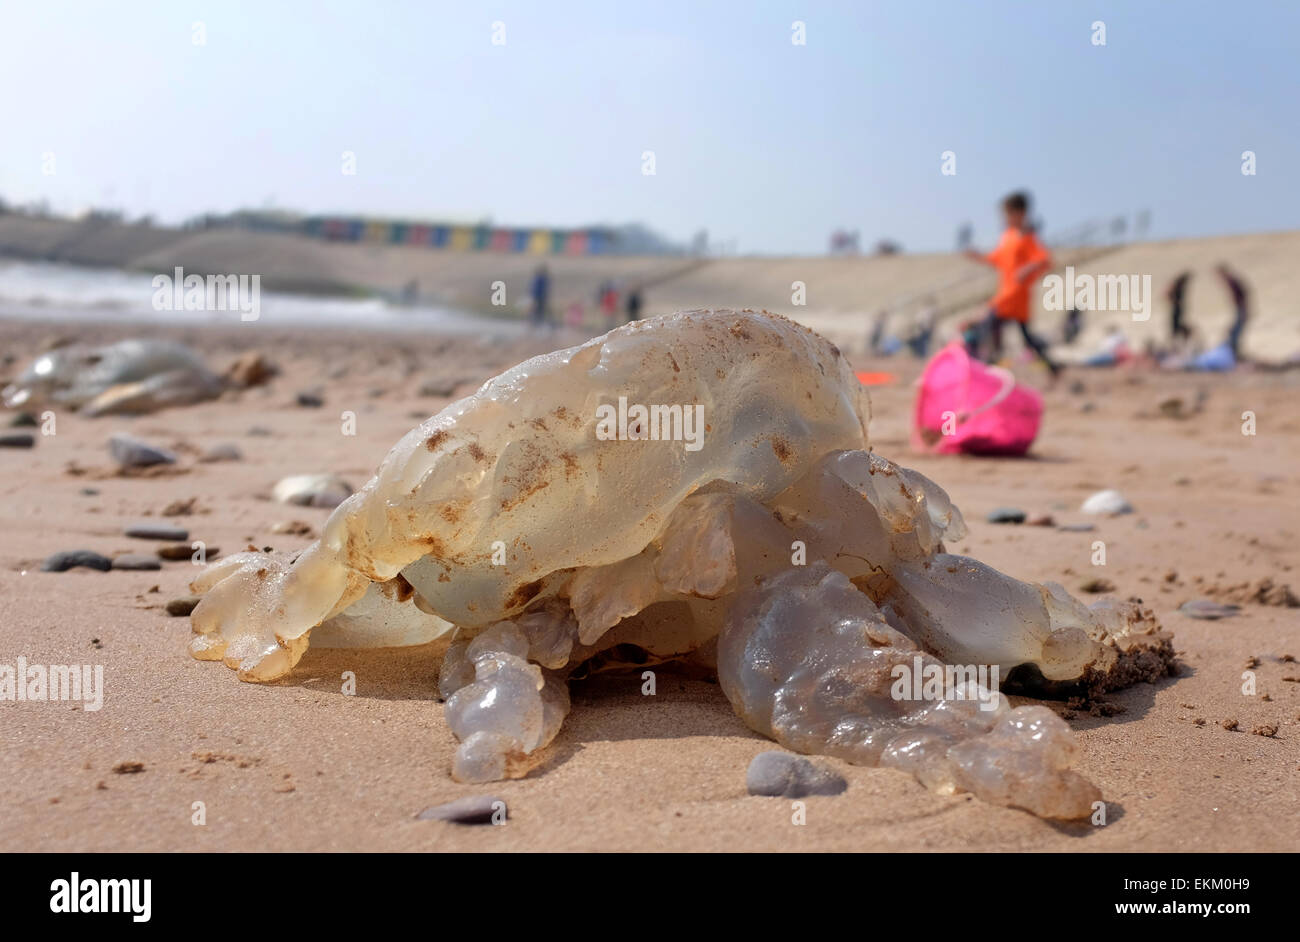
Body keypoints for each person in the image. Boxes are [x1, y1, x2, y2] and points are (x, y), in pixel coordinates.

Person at [964, 191, 1060, 376]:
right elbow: (997, 258)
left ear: (1021, 214)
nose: (1005, 218)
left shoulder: (1027, 237)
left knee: (987, 325)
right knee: (1025, 338)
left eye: (1008, 214)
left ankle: (987, 364)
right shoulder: (1008, 236)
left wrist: (1028, 268)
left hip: (1014, 297)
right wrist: (977, 256)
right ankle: (1053, 367)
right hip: (1007, 293)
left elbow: (1045, 259)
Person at [1167, 271, 1193, 344]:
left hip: (1178, 309)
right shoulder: (1178, 286)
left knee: (1176, 327)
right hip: (1177, 309)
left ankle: (1177, 341)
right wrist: (1175, 302)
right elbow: (1167, 295)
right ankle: (1178, 341)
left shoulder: (1178, 286)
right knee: (1176, 327)